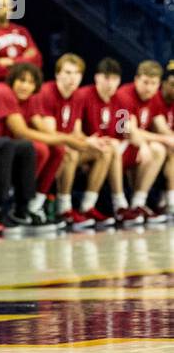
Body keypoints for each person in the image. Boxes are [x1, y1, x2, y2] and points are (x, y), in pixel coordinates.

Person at [0, 62, 95, 227]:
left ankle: (35, 205)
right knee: (43, 149)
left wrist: (82, 141)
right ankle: (25, 205)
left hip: (9, 146)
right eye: (21, 80)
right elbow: (22, 131)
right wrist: (68, 140)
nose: (25, 86)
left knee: (58, 150)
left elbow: (46, 127)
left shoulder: (39, 97)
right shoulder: (10, 92)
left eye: (30, 82)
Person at [29, 53, 114, 229]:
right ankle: (64, 207)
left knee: (107, 150)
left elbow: (76, 131)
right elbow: (52, 133)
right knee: (69, 154)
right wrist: (84, 142)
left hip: (74, 144)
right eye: (67, 72)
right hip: (53, 149)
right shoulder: (50, 93)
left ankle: (89, 206)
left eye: (76, 73)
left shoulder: (83, 97)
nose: (72, 78)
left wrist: (92, 140)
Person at [75, 57, 137, 224]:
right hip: (85, 146)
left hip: (111, 150)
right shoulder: (83, 95)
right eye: (106, 78)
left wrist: (121, 141)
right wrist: (87, 140)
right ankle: (118, 204)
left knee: (114, 149)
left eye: (115, 79)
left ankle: (118, 205)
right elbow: (75, 129)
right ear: (97, 78)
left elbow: (124, 134)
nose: (110, 84)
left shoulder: (123, 101)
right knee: (109, 150)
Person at [111, 59, 174, 222]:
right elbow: (127, 130)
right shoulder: (124, 94)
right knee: (156, 147)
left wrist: (169, 139)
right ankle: (120, 206)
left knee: (162, 148)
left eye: (153, 83)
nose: (149, 87)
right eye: (145, 82)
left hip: (132, 145)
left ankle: (139, 203)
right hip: (116, 142)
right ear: (136, 79)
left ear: (158, 84)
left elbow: (162, 127)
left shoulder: (154, 98)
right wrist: (148, 143)